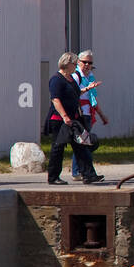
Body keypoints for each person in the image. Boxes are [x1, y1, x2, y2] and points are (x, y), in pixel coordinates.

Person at [45, 52, 103, 185]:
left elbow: (76, 93)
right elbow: (55, 99)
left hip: (73, 119)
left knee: (81, 145)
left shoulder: (70, 79)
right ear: (67, 64)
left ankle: (89, 175)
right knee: (58, 148)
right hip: (60, 120)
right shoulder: (56, 79)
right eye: (74, 64)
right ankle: (53, 177)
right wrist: (64, 116)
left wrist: (88, 88)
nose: (76, 67)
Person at [70, 49, 108, 180]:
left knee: (83, 144)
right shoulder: (76, 76)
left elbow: (93, 99)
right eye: (84, 62)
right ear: (78, 62)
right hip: (79, 114)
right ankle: (82, 172)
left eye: (89, 62)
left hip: (87, 114)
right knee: (84, 143)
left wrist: (101, 115)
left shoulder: (90, 77)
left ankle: (79, 171)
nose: (87, 65)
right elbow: (74, 93)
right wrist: (87, 88)